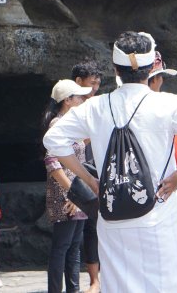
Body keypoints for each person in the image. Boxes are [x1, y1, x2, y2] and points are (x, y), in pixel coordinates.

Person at [44, 31, 177, 292]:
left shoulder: (96, 106)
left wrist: (90, 179)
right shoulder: (167, 103)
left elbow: (53, 140)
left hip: (113, 214)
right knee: (165, 285)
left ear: (115, 68)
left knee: (118, 284)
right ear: (151, 68)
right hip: (159, 212)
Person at [44, 79, 94, 293]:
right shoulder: (58, 124)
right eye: (79, 97)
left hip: (77, 193)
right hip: (66, 195)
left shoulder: (71, 123)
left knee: (73, 247)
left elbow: (82, 144)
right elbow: (52, 162)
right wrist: (72, 194)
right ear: (67, 100)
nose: (83, 100)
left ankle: (73, 289)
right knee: (63, 247)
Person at [70, 59, 103, 293]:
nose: (95, 88)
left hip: (98, 169)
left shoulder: (101, 105)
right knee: (77, 233)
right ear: (78, 82)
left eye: (98, 83)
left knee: (95, 227)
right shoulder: (71, 108)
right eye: (91, 83)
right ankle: (84, 281)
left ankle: (97, 279)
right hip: (77, 172)